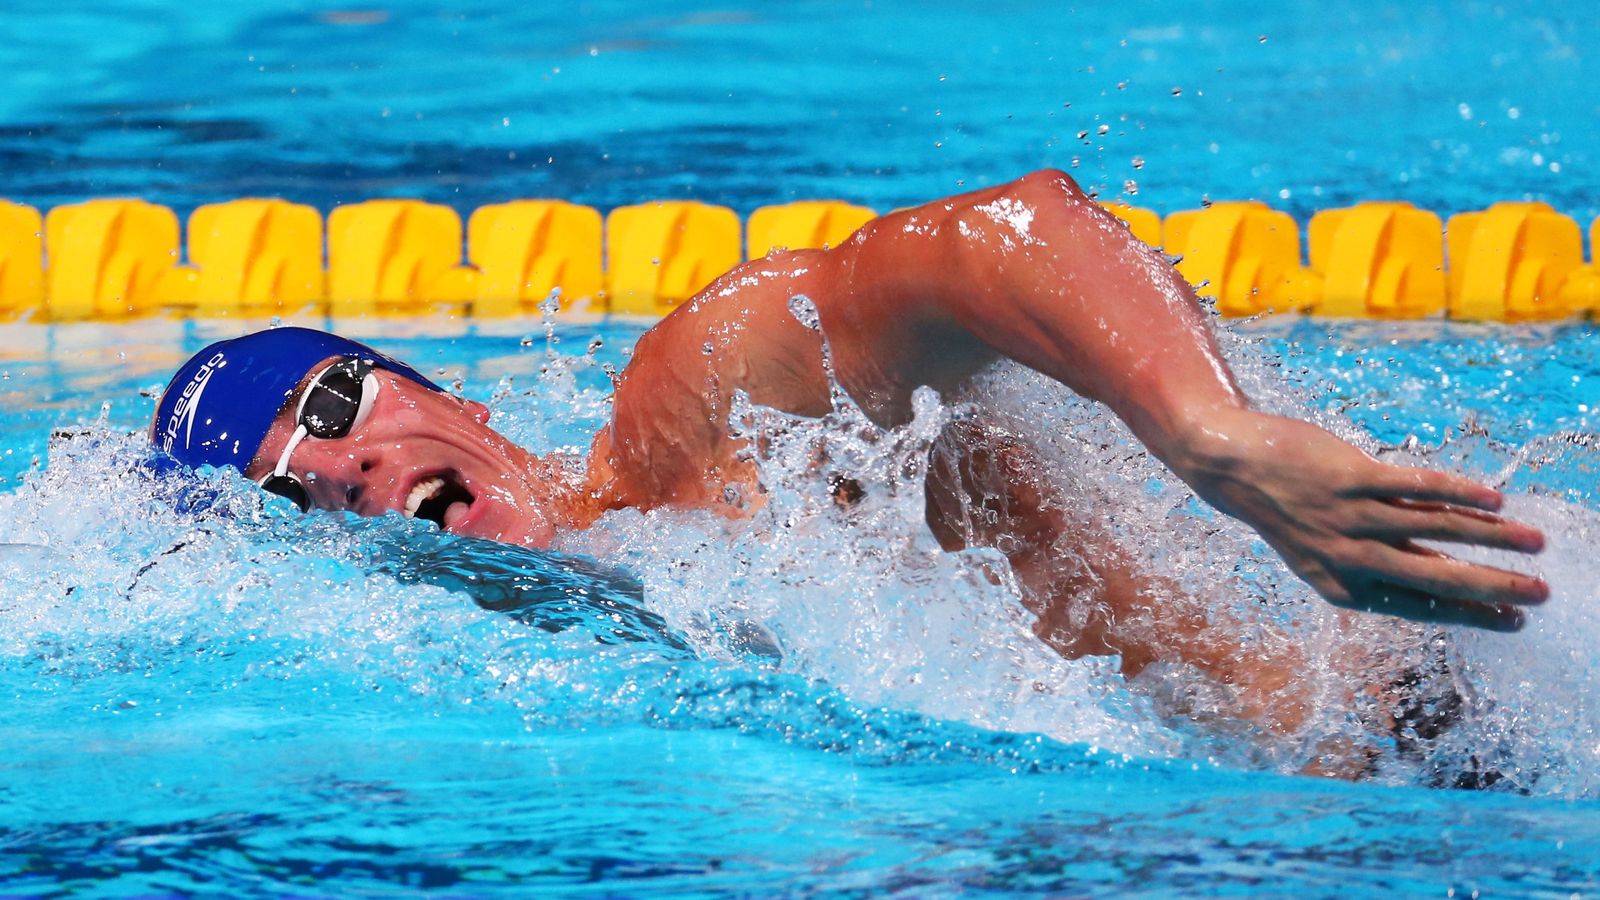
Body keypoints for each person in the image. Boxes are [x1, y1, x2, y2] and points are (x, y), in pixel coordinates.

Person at [151, 170, 1549, 753]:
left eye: (333, 407)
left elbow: (1004, 234)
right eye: (289, 499)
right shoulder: (556, 697)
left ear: (417, 385)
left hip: (1424, 670)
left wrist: (1212, 436)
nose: (340, 471)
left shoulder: (697, 417)